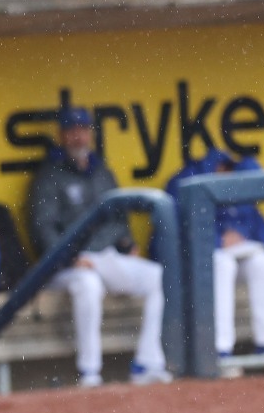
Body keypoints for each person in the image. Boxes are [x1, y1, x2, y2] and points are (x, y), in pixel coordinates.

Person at [24, 106, 168, 387]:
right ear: (62, 135)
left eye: (83, 130)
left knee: (158, 277)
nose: (79, 136)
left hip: (104, 258)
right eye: (72, 131)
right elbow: (42, 228)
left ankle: (147, 362)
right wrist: (69, 257)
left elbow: (119, 220)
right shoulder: (50, 176)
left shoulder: (101, 171)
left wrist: (127, 243)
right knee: (88, 285)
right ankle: (90, 372)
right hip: (64, 267)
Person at [166, 149, 264, 364]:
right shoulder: (192, 182)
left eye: (229, 169)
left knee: (263, 263)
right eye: (222, 168)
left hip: (242, 256)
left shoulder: (239, 188)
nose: (225, 172)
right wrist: (218, 239)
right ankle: (221, 349)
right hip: (207, 262)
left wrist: (243, 237)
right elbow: (182, 232)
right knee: (223, 264)